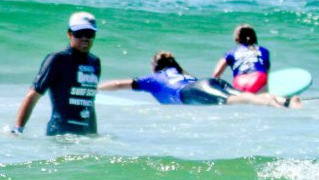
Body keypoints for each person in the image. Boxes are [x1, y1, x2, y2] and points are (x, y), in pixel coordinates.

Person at [100, 51, 298, 108]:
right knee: (241, 95)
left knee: (236, 99)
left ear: (155, 67)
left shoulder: (153, 78)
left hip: (193, 91)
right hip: (205, 82)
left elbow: (119, 84)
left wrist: (95, 88)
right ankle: (284, 100)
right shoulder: (184, 74)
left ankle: (273, 103)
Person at [11, 11, 101, 135]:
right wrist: (18, 129)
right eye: (79, 33)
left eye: (89, 34)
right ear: (69, 34)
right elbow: (33, 95)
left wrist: (94, 135)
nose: (84, 38)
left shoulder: (94, 62)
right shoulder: (58, 59)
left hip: (85, 136)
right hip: (60, 134)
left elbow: (90, 102)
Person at [210, 24, 270, 93]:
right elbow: (266, 73)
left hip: (240, 81)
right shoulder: (264, 51)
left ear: (237, 38)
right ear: (254, 36)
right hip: (258, 78)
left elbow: (216, 75)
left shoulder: (230, 52)